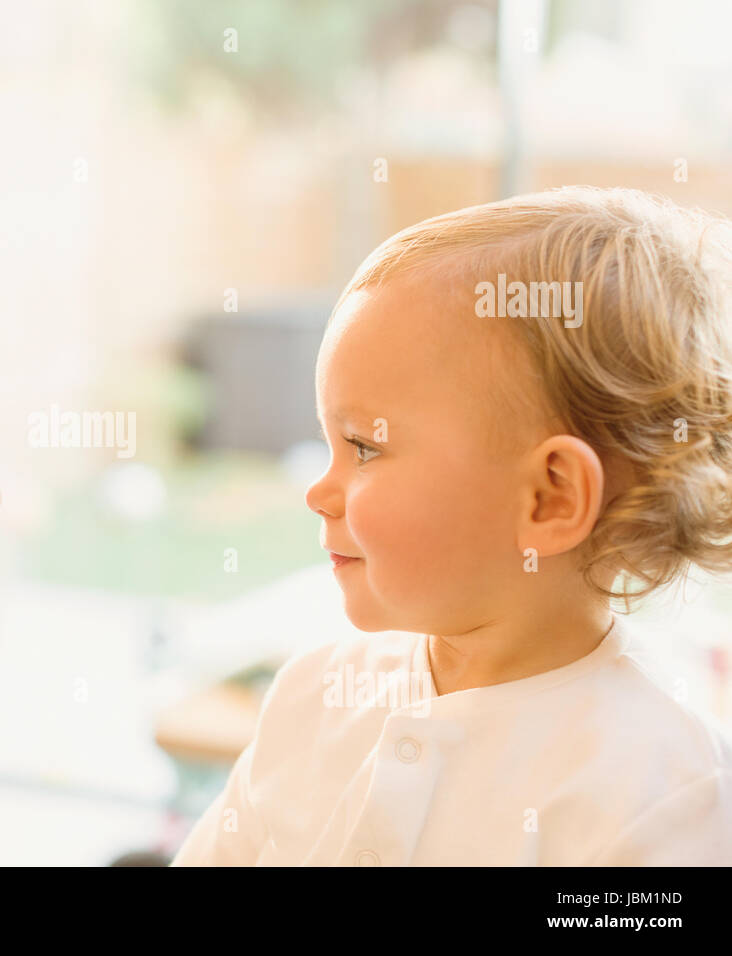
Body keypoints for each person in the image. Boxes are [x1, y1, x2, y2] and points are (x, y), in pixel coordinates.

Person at [173, 186, 732, 865]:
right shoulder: (314, 693)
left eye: (365, 448)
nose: (320, 491)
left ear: (550, 497)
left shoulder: (667, 792)